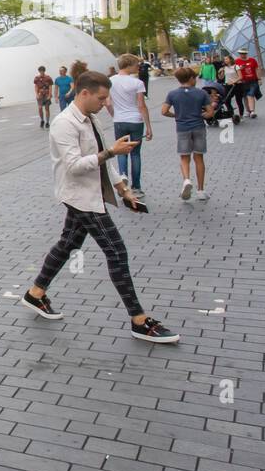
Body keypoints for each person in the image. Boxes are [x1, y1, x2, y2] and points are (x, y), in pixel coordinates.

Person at [22, 71, 179, 344]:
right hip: (80, 197)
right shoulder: (64, 124)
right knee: (117, 252)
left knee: (67, 244)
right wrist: (111, 153)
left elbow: (104, 159)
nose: (105, 104)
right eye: (102, 98)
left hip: (91, 194)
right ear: (84, 93)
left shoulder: (91, 118)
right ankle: (139, 320)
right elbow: (75, 166)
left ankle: (35, 293)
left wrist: (123, 189)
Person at [162, 66, 216, 202]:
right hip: (198, 127)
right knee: (199, 158)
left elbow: (164, 111)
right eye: (195, 78)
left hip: (182, 128)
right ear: (191, 78)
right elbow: (210, 113)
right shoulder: (201, 93)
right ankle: (201, 190)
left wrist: (176, 115)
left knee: (184, 158)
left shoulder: (172, 94)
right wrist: (201, 115)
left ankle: (186, 180)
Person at [110, 53, 152, 198]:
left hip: (119, 121)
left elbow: (108, 102)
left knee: (121, 151)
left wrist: (114, 115)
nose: (137, 67)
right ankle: (136, 187)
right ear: (128, 65)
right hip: (136, 120)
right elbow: (141, 105)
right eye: (136, 64)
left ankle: (122, 176)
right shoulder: (137, 83)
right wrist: (148, 127)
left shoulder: (110, 81)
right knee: (135, 154)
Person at [235, 46, 261, 119]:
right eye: (241, 53)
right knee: (245, 96)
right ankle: (248, 111)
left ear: (246, 53)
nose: (243, 55)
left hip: (253, 81)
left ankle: (252, 111)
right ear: (239, 54)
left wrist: (259, 79)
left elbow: (256, 70)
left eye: (244, 53)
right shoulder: (236, 61)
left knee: (250, 95)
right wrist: (241, 68)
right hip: (243, 82)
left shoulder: (252, 60)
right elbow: (235, 71)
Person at [220, 55, 241, 123]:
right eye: (224, 59)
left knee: (239, 100)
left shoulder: (236, 66)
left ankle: (241, 114)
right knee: (226, 100)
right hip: (228, 85)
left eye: (226, 59)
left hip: (237, 85)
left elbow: (241, 77)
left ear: (230, 59)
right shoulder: (224, 67)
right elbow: (221, 78)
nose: (225, 60)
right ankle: (231, 114)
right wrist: (220, 72)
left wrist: (234, 82)